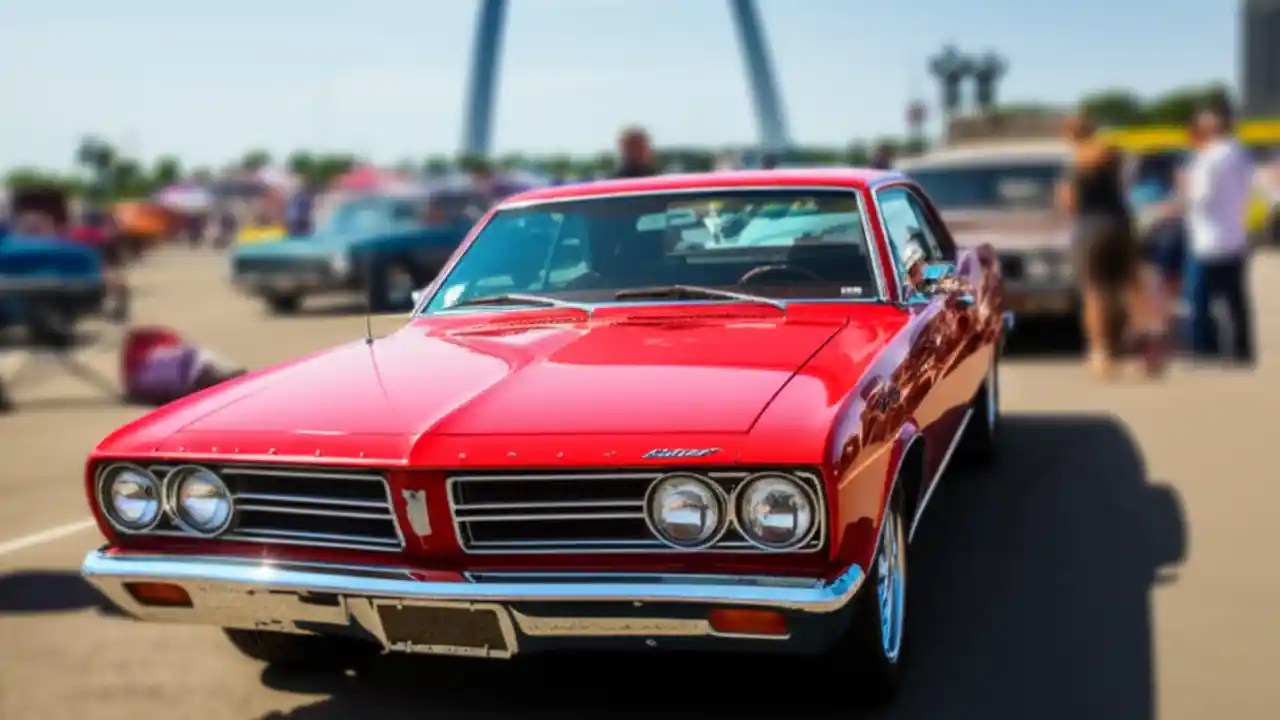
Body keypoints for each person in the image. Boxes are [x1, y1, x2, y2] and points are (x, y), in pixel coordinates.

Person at [1058, 114, 1158, 379]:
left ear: (1069, 134)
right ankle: (1147, 352)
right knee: (1131, 288)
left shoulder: (1077, 161)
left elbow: (1068, 203)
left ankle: (1102, 355)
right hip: (1121, 223)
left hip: (1090, 228)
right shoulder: (1111, 152)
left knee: (1095, 292)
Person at [1183, 101, 1256, 366]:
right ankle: (1241, 350)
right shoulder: (1240, 153)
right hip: (1235, 237)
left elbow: (1199, 198)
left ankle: (1205, 351)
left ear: (1209, 128)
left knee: (1199, 301)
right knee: (1235, 300)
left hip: (1207, 241)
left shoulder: (1207, 159)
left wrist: (1183, 192)